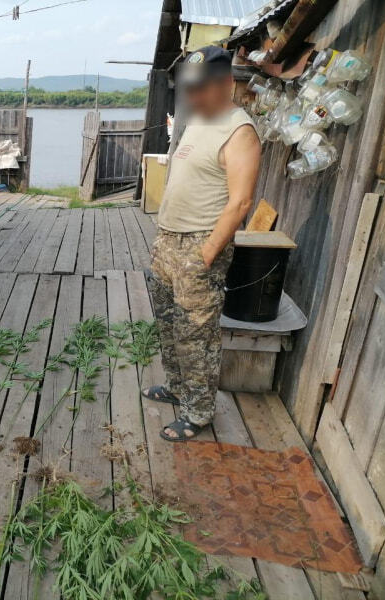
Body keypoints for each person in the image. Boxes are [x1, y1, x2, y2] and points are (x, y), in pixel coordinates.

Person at [143, 46, 262, 442]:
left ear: (227, 83)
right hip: (168, 241)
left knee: (197, 333)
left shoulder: (239, 131)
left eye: (203, 88)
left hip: (198, 244)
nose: (195, 96)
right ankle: (177, 387)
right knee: (169, 324)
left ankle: (198, 411)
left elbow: (241, 202)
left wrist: (207, 254)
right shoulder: (196, 120)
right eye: (190, 89)